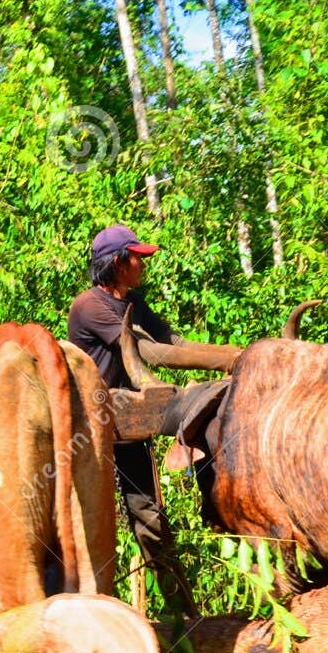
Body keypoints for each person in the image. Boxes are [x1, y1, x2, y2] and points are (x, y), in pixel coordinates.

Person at [67, 224, 200, 618]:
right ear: (116, 263)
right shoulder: (88, 307)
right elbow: (150, 353)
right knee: (88, 526)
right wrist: (231, 355)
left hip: (128, 429)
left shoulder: (133, 302)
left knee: (151, 520)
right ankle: (86, 617)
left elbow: (173, 343)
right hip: (89, 435)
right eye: (136, 256)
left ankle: (182, 618)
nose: (143, 263)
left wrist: (231, 357)